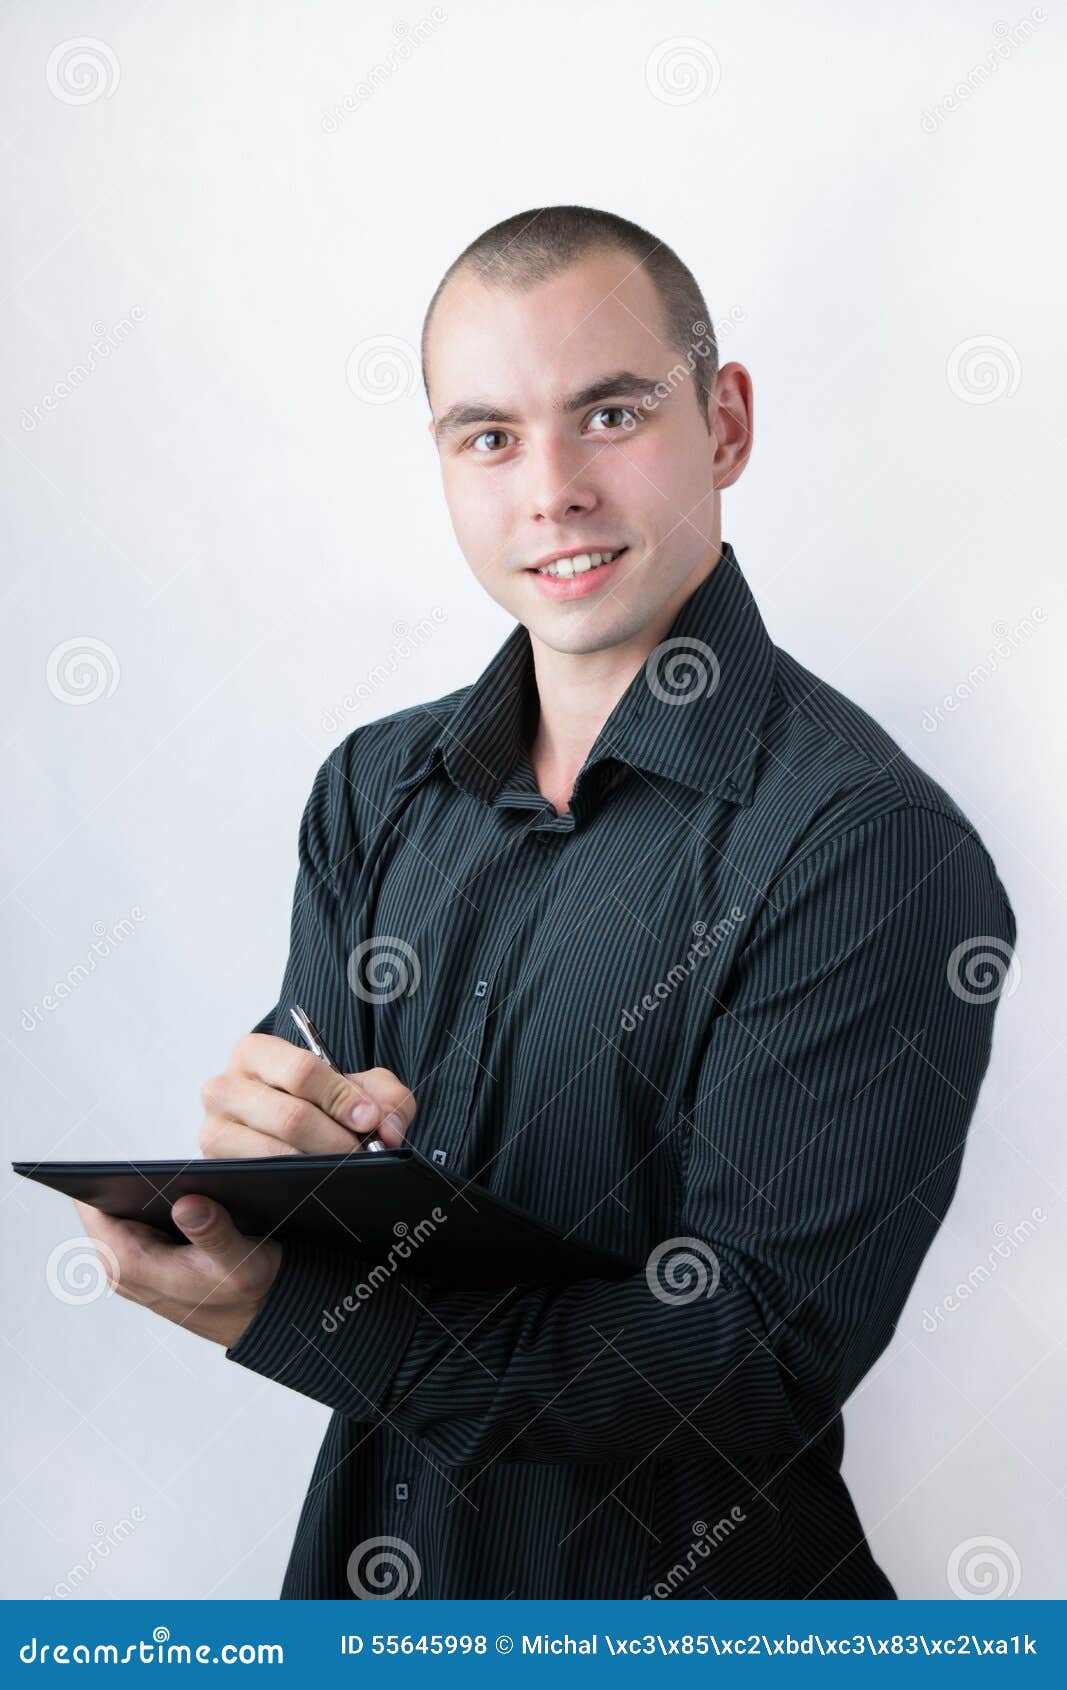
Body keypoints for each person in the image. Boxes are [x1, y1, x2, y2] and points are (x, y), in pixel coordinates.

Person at [74, 205, 1018, 1600]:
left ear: (727, 424)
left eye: (613, 413)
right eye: (490, 436)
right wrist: (266, 1166)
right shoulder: (371, 789)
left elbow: (745, 1363)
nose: (552, 491)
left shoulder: (865, 846)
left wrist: (296, 1306)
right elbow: (331, 1187)